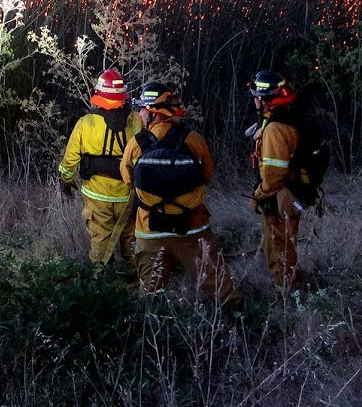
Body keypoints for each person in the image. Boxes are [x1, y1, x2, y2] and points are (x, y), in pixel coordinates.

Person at [120, 82, 241, 308]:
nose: (139, 113)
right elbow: (207, 175)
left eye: (142, 109)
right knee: (217, 283)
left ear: (153, 112)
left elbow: (128, 180)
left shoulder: (136, 143)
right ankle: (236, 318)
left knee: (150, 293)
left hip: (150, 229)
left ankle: (148, 332)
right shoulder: (194, 139)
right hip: (192, 228)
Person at [58, 68, 143, 267]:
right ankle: (134, 278)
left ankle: (100, 280)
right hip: (128, 196)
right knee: (130, 236)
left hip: (97, 196)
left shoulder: (85, 123)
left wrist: (66, 183)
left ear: (98, 93)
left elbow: (69, 161)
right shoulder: (137, 121)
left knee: (100, 239)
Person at [247, 69, 305, 291]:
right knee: (286, 241)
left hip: (278, 195)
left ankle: (284, 290)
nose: (254, 101)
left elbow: (274, 176)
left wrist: (258, 195)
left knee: (277, 242)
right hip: (291, 192)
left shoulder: (274, 129)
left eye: (256, 97)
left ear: (265, 100)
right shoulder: (287, 118)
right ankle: (289, 279)